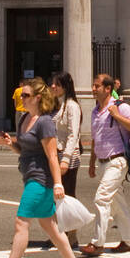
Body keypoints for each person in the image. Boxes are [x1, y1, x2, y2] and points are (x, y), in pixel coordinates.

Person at [0, 78, 82, 258]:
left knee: (22, 223)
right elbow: (25, 150)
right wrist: (11, 144)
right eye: (22, 94)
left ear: (38, 98)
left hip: (41, 180)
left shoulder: (45, 122)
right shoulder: (24, 119)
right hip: (29, 175)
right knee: (49, 224)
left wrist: (58, 184)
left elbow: (51, 156)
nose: (22, 98)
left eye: (26, 95)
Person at [81, 73, 130, 257]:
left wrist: (117, 116)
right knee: (117, 203)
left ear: (108, 89)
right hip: (102, 162)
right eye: (93, 85)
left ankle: (97, 243)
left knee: (102, 198)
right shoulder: (94, 111)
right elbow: (95, 139)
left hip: (117, 160)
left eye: (97, 86)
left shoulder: (120, 107)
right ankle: (129, 241)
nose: (93, 89)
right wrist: (91, 163)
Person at [50, 71, 83, 248]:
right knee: (56, 196)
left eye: (57, 84)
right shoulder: (56, 105)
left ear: (65, 86)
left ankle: (72, 234)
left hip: (68, 157)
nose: (53, 86)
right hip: (56, 154)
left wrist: (66, 159)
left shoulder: (72, 106)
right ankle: (59, 231)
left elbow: (73, 134)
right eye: (53, 83)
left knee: (67, 195)